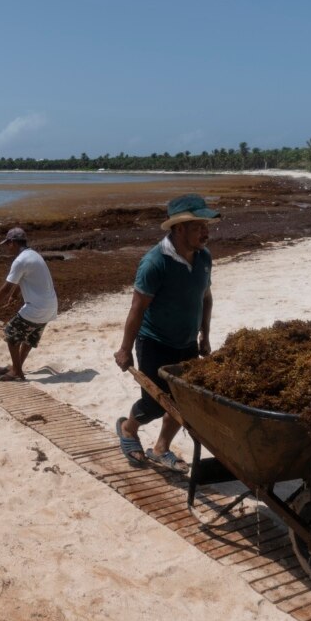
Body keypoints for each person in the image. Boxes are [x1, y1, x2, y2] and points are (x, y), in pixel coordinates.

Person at [114, 194, 219, 472]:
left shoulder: (204, 257)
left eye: (207, 226)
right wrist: (125, 349)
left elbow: (205, 298)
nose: (206, 232)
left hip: (187, 343)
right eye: (199, 226)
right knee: (155, 403)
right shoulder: (155, 263)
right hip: (155, 342)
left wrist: (204, 336)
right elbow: (137, 309)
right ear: (179, 228)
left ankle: (161, 448)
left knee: (182, 402)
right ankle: (127, 428)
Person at [0, 227, 58, 382]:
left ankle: (16, 371)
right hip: (50, 306)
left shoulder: (20, 260)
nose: (7, 247)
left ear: (13, 243)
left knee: (11, 333)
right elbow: (21, 281)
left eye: (7, 244)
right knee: (28, 337)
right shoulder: (34, 255)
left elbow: (6, 288)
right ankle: (16, 368)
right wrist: (15, 296)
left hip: (37, 307)